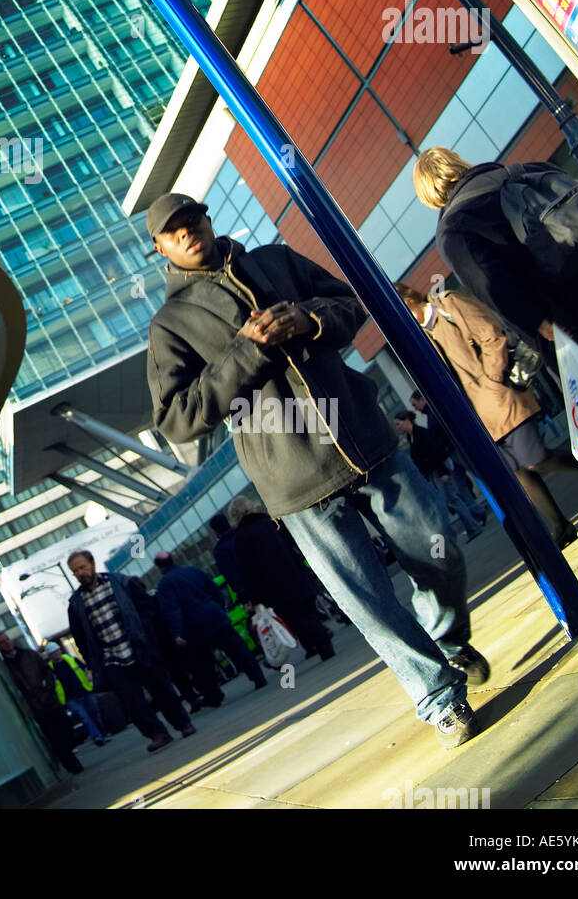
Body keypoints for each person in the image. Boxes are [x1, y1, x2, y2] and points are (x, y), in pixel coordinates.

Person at [144, 191, 487, 748]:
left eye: (192, 220)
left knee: (438, 547)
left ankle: (446, 639)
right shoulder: (170, 326)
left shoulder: (275, 260)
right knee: (366, 601)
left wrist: (307, 319)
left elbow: (351, 305)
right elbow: (179, 420)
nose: (186, 232)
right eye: (172, 231)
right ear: (159, 248)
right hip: (294, 482)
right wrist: (245, 351)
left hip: (366, 439)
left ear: (207, 220)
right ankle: (437, 696)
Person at [395, 282, 578, 549]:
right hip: (478, 416)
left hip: (501, 398)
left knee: (535, 461)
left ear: (408, 301)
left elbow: (490, 332)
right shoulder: (422, 337)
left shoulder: (448, 305)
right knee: (518, 472)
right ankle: (560, 526)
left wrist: (493, 378)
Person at [413, 147, 578, 392]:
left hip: (568, 323)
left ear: (429, 194)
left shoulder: (454, 231)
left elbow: (493, 284)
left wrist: (538, 324)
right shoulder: (524, 171)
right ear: (457, 162)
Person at [66, 550, 195, 752]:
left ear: (92, 564)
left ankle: (183, 723)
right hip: (112, 659)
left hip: (139, 648)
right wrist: (93, 663)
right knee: (132, 702)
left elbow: (146, 606)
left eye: (82, 567)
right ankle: (157, 734)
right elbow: (81, 637)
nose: (80, 573)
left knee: (162, 690)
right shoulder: (76, 604)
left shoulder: (120, 583)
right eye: (75, 571)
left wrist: (144, 632)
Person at [226, 495, 335, 661]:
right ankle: (323, 643)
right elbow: (294, 543)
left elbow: (248, 572)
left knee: (295, 618)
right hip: (296, 575)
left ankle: (321, 640)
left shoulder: (240, 539)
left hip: (273, 588)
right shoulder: (271, 522)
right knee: (309, 611)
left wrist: (254, 598)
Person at [153, 550, 267, 700]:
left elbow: (171, 610)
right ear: (173, 559)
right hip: (214, 615)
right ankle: (257, 677)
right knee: (238, 649)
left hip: (193, 625)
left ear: (158, 567)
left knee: (203, 662)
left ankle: (214, 694)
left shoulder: (165, 584)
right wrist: (219, 608)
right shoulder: (192, 570)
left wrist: (177, 633)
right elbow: (214, 590)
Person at [0, 633, 83, 775]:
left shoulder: (29, 655)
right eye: (2, 642)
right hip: (35, 708)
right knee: (54, 738)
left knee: (66, 730)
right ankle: (71, 764)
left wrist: (49, 688)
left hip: (50, 700)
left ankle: (69, 755)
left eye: (7, 639)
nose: (7, 643)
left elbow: (47, 670)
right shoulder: (2, 665)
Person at [393, 409, 484, 542]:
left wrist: (443, 472)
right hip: (433, 472)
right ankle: (475, 517)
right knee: (451, 500)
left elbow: (436, 452)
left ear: (407, 421)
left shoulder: (421, 433)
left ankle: (474, 523)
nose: (397, 427)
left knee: (452, 500)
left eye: (398, 424)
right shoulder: (411, 437)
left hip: (438, 469)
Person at [44, 645, 108, 746]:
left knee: (94, 713)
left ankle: (103, 734)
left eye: (56, 651)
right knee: (84, 717)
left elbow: (84, 668)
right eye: (53, 653)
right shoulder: (50, 669)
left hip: (84, 691)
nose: (56, 654)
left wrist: (88, 675)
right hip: (70, 698)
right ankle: (97, 736)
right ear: (49, 656)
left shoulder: (70, 659)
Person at [209, 512, 246, 599]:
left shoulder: (219, 551)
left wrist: (243, 596)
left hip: (248, 589)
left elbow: (231, 576)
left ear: (216, 531)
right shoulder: (243, 532)